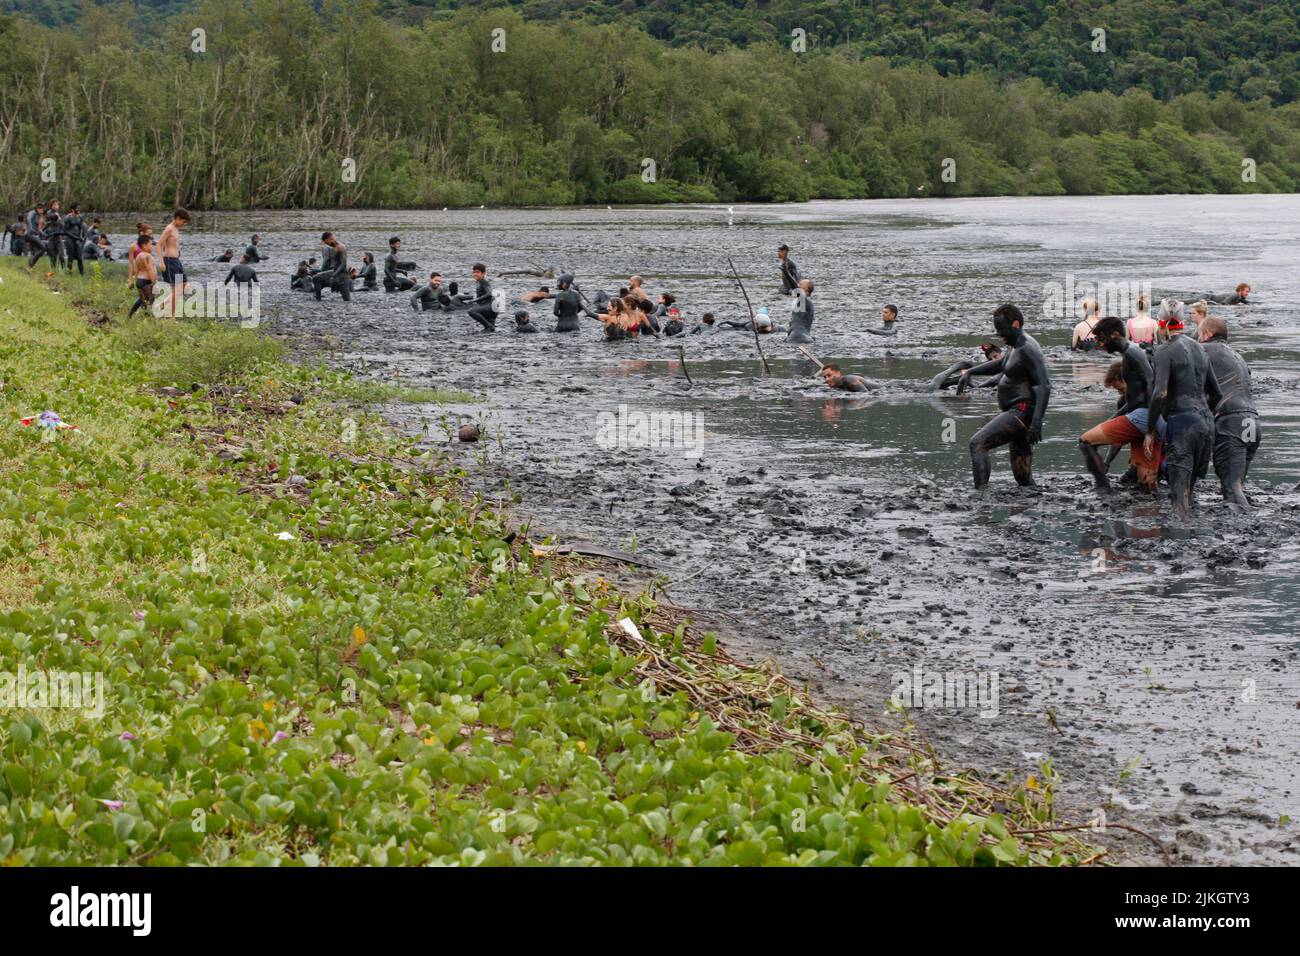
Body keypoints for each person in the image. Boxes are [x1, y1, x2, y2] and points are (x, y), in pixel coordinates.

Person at [960, 304, 1052, 489]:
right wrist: (970, 372)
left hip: (1020, 413)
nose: (1000, 335)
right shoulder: (1014, 345)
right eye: (997, 331)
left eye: (1002, 330)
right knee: (1024, 481)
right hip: (1018, 414)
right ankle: (1035, 508)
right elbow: (1003, 364)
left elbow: (1044, 385)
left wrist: (1036, 422)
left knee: (978, 444)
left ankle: (981, 497)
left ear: (1016, 324)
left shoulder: (1027, 348)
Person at [1146, 308, 1222, 518]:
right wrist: (1207, 416)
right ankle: (1192, 543)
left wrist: (1150, 431)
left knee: (1179, 495)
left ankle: (1180, 541)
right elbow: (1217, 393)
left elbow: (1159, 393)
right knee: (1191, 490)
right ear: (1182, 323)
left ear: (1161, 325)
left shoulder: (1163, 350)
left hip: (1182, 425)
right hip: (1206, 423)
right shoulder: (1200, 348)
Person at [1077, 317, 1161, 491]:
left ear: (1115, 334)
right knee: (1146, 483)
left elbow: (1152, 382)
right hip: (1146, 417)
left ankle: (1102, 487)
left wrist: (1151, 428)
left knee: (1086, 441)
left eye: (1101, 339)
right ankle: (1152, 513)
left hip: (1143, 418)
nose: (1100, 345)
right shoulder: (1135, 351)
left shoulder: (1132, 352)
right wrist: (1114, 418)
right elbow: (1137, 397)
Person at [1198, 316, 1259, 508]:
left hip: (1231, 422)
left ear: (1207, 334)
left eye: (1200, 334)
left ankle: (1249, 527)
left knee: (1232, 488)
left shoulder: (1206, 349)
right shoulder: (1238, 356)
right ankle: (1245, 521)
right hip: (1252, 422)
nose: (1198, 338)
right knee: (1234, 486)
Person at [157, 208, 191, 318]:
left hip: (176, 261)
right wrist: (161, 262)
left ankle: (161, 305)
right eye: (183, 221)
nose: (184, 224)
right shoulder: (169, 229)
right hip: (169, 261)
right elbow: (159, 245)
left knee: (185, 287)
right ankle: (171, 317)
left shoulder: (175, 229)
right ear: (177, 218)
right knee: (176, 290)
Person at [930, 343, 1003, 392]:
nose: (993, 360)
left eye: (995, 356)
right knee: (932, 387)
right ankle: (955, 370)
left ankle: (957, 377)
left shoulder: (1009, 362)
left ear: (1002, 354)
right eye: (990, 359)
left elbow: (994, 380)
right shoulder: (1001, 367)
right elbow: (994, 380)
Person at [312, 232, 351, 301]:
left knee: (347, 300)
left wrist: (334, 275)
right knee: (316, 278)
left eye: (327, 243)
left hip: (342, 275)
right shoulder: (332, 248)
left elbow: (343, 265)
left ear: (330, 239)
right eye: (326, 243)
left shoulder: (341, 247)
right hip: (334, 271)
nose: (327, 245)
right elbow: (331, 262)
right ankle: (318, 300)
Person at [129, 235, 158, 318]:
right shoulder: (148, 256)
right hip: (146, 282)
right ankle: (152, 318)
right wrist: (154, 282)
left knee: (142, 300)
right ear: (144, 245)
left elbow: (136, 269)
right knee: (152, 300)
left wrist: (136, 280)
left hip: (140, 281)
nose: (152, 246)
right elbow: (149, 269)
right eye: (150, 244)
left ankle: (131, 315)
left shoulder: (138, 256)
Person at [462, 263, 497, 330]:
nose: (475, 274)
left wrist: (475, 300)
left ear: (483, 273)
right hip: (490, 306)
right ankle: (489, 327)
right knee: (490, 329)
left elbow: (489, 293)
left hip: (491, 306)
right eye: (474, 272)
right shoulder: (479, 282)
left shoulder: (484, 282)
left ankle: (489, 326)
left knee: (471, 311)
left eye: (478, 272)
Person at [786, 278, 815, 343]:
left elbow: (796, 290)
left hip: (797, 336)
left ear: (807, 289)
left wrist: (786, 272)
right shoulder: (802, 303)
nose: (798, 285)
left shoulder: (804, 302)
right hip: (803, 336)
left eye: (800, 284)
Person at [61, 204, 87, 275]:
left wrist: (80, 237)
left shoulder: (80, 217)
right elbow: (65, 231)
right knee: (70, 256)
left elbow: (81, 227)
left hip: (77, 239)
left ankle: (82, 273)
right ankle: (69, 273)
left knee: (79, 256)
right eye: (77, 209)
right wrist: (74, 237)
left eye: (79, 208)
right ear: (72, 209)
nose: (78, 210)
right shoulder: (67, 218)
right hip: (69, 239)